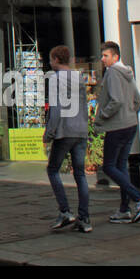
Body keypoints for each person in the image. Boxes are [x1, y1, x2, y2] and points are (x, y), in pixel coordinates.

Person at [98, 41, 140, 223]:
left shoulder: (112, 73)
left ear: (115, 57)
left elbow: (116, 100)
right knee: (121, 167)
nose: (102, 59)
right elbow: (138, 101)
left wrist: (104, 116)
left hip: (117, 126)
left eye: (106, 55)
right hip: (130, 124)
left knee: (109, 166)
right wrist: (130, 114)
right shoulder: (128, 73)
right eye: (102, 55)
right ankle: (123, 209)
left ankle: (138, 198)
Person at [44, 45, 92, 232]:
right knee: (80, 174)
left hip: (64, 132)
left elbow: (55, 109)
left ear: (56, 59)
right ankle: (85, 218)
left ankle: (65, 211)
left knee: (53, 170)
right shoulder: (78, 77)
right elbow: (84, 104)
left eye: (50, 59)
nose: (50, 63)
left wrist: (49, 133)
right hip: (80, 130)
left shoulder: (56, 79)